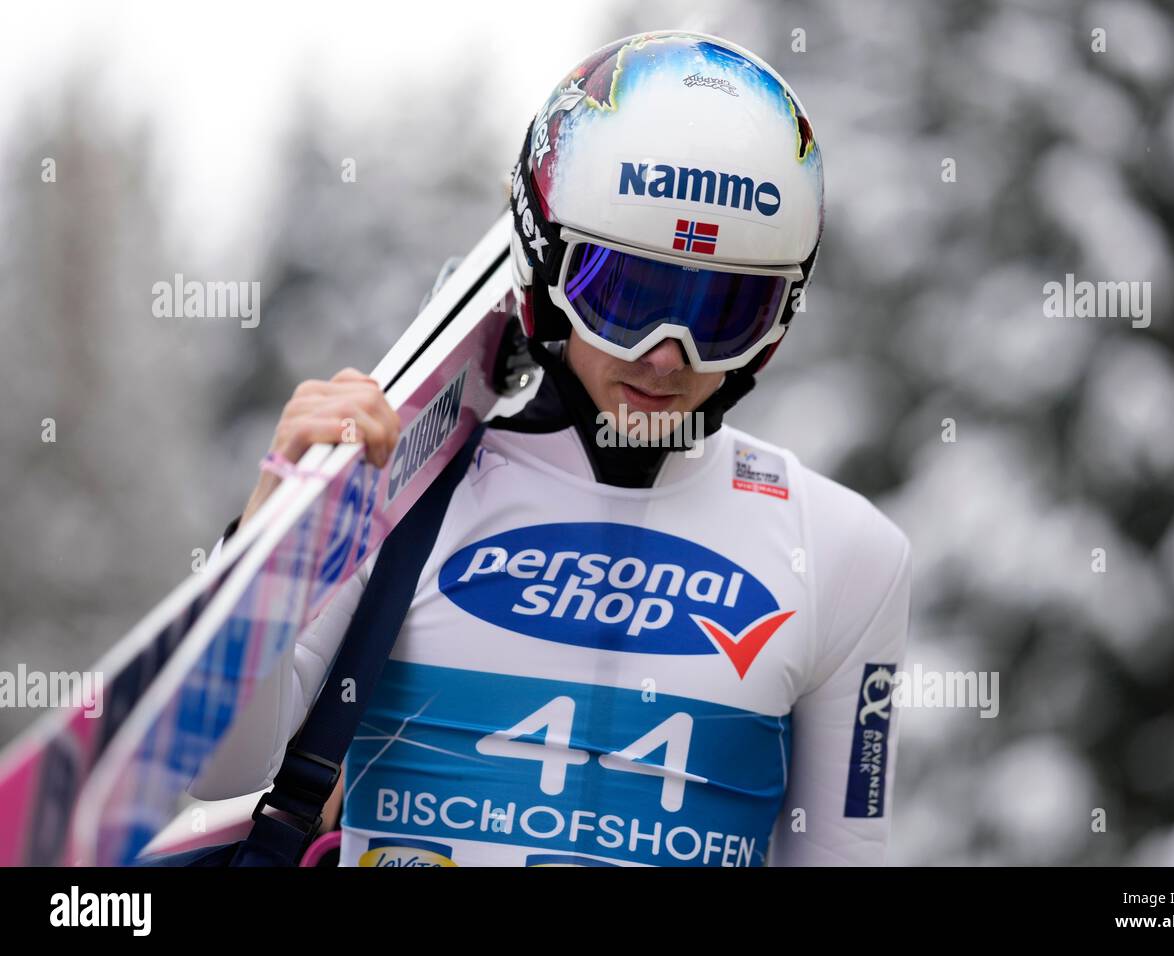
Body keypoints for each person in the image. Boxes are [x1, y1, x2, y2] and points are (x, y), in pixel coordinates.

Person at [192, 30, 911, 867]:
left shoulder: (844, 555)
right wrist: (271, 538)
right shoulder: (410, 488)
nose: (666, 355)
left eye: (722, 313)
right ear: (545, 268)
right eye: (627, 294)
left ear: (777, 325)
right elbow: (213, 764)